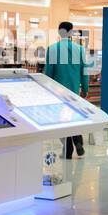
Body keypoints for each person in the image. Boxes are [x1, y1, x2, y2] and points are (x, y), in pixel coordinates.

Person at [43, 21, 89, 158]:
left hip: (58, 91)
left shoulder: (52, 49)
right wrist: (85, 88)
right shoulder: (79, 49)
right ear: (70, 33)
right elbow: (84, 71)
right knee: (73, 117)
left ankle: (68, 149)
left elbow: (49, 72)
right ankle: (78, 141)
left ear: (59, 32)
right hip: (74, 90)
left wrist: (46, 89)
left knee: (63, 120)